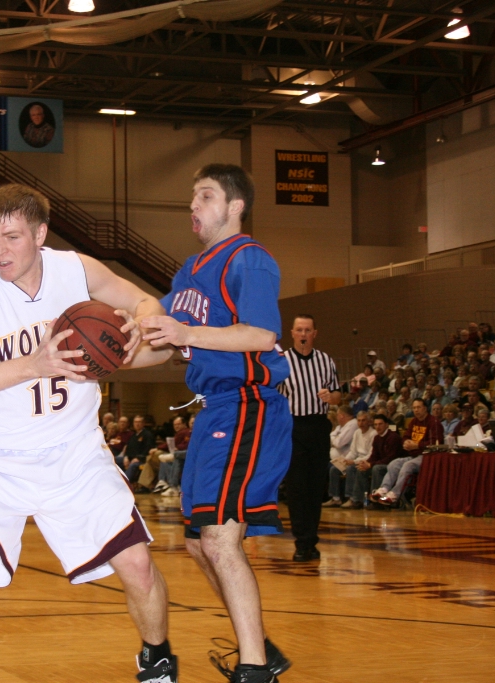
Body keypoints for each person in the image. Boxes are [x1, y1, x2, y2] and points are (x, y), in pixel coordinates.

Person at [0, 182, 176, 683]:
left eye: (12, 237)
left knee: (138, 565)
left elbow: (148, 303)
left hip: (74, 453)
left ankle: (158, 659)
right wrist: (33, 364)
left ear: (40, 234)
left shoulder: (77, 269)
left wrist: (139, 326)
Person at [140, 164, 293, 683]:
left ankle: (255, 669)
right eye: (192, 196)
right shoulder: (188, 272)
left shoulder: (249, 259)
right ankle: (261, 649)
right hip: (213, 410)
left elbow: (260, 337)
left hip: (248, 403)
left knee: (222, 538)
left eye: (205, 196)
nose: (193, 205)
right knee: (197, 541)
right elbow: (155, 331)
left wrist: (186, 331)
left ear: (235, 206)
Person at [278, 314, 340, 562]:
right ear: (292, 333)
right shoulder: (281, 361)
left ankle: (311, 540)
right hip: (292, 426)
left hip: (318, 426)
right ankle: (302, 541)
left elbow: (337, 395)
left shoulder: (326, 360)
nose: (303, 334)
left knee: (315, 487)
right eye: (299, 330)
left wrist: (330, 397)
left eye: (308, 330)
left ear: (315, 333)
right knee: (297, 487)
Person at [370, 399, 443, 507]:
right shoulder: (413, 422)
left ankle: (394, 494)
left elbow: (435, 443)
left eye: (418, 407)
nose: (416, 410)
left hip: (427, 456)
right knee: (394, 464)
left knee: (408, 465)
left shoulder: (434, 422)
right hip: (413, 454)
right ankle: (384, 488)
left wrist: (417, 445)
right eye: (414, 408)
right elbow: (405, 437)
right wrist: (405, 443)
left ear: (425, 408)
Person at [325, 410, 375, 508]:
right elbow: (353, 452)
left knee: (351, 468)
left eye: (363, 420)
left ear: (369, 421)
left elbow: (370, 455)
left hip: (366, 461)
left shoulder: (373, 434)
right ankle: (335, 498)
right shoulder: (357, 432)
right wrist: (345, 460)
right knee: (334, 468)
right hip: (356, 458)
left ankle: (352, 498)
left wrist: (353, 462)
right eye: (359, 421)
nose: (361, 423)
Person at [122, 414, 156, 484]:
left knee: (133, 465)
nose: (137, 424)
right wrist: (126, 457)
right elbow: (128, 448)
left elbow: (148, 449)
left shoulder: (147, 434)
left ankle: (124, 483)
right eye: (135, 422)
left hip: (143, 459)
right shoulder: (133, 435)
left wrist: (138, 458)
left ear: (143, 423)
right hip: (131, 458)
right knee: (114, 460)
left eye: (139, 422)